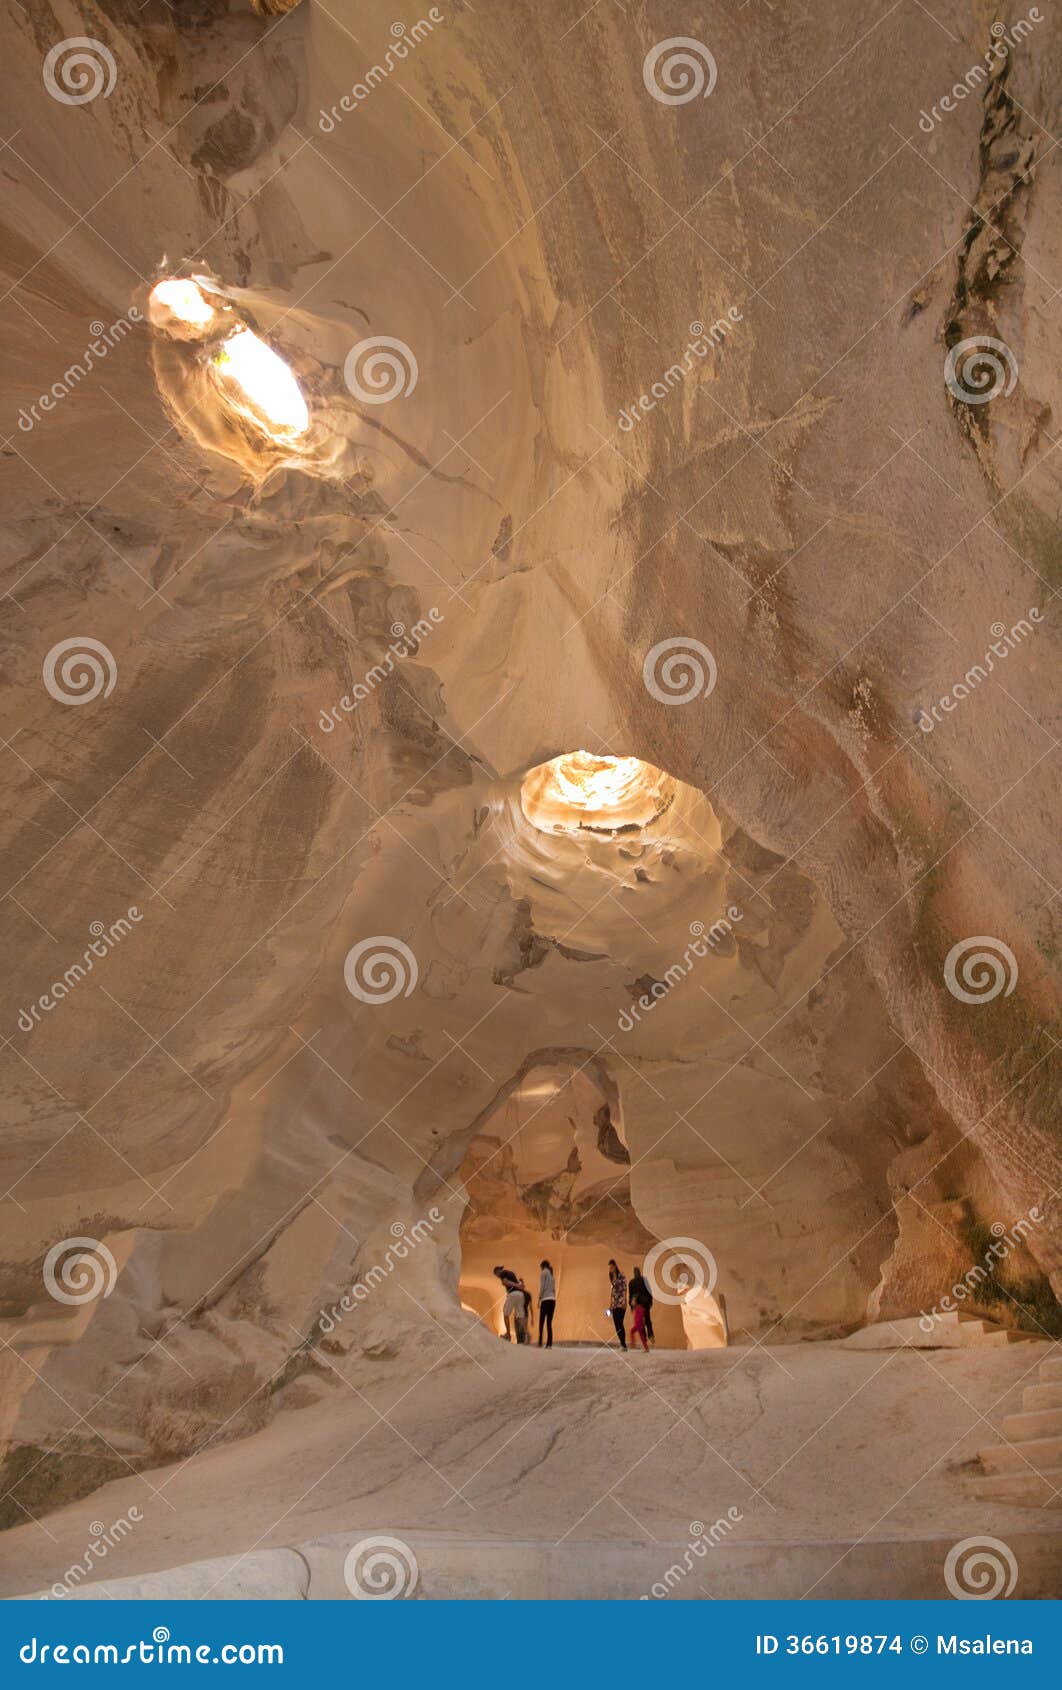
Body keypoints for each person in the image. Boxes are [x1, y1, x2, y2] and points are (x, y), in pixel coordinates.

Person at [629, 1267, 651, 1353]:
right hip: (639, 1320)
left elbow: (639, 1317)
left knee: (639, 1333)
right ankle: (635, 1345)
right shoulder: (639, 1307)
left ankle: (643, 1347)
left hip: (639, 1322)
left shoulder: (638, 1307)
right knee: (634, 1332)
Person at [607, 1259, 627, 1350]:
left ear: (615, 1266)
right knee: (617, 1325)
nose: (610, 1269)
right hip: (614, 1304)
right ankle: (622, 1344)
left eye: (611, 1267)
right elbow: (612, 1290)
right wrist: (610, 1303)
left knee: (620, 1324)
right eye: (609, 1268)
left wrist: (624, 1301)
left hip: (621, 1302)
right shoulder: (610, 1276)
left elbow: (624, 1289)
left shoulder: (621, 1275)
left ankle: (623, 1344)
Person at [538, 1259, 556, 1347]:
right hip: (552, 1300)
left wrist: (539, 1299)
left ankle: (540, 1342)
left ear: (542, 1266)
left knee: (541, 1322)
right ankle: (549, 1344)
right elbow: (554, 1289)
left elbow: (542, 1287)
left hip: (545, 1300)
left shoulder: (544, 1273)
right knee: (549, 1323)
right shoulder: (552, 1276)